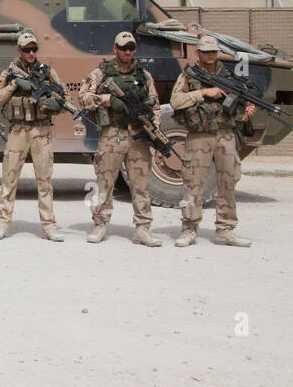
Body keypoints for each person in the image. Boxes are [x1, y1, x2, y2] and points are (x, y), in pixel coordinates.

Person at [169, 35, 257, 247]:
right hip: (199, 135)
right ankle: (189, 228)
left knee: (228, 181)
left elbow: (241, 103)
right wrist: (202, 92)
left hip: (225, 134)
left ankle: (225, 229)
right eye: (205, 52)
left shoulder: (229, 75)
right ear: (197, 52)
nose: (210, 55)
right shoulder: (189, 75)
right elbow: (175, 101)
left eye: (213, 52)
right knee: (193, 183)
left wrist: (247, 112)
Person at [79, 31, 161, 246]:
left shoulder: (144, 75)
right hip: (113, 133)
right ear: (114, 48)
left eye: (130, 48)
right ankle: (100, 224)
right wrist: (108, 99)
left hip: (139, 137)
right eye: (123, 47)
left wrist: (155, 132)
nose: (127, 51)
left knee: (140, 185)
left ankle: (142, 228)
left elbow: (155, 106)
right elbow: (84, 98)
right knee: (104, 182)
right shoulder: (101, 73)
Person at [0, 32, 63, 242]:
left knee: (45, 180)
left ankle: (49, 225)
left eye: (34, 49)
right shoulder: (10, 72)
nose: (31, 53)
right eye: (26, 49)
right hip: (18, 131)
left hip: (41, 131)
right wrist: (14, 85)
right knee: (9, 179)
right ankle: (2, 223)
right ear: (19, 50)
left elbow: (64, 98)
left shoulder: (47, 72)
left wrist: (56, 105)